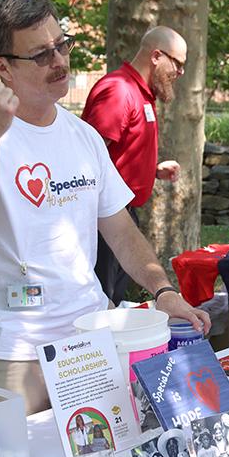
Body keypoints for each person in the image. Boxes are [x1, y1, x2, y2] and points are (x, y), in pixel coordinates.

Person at [0, 0, 209, 415]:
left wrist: (162, 290)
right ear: (2, 67)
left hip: (92, 338)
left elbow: (121, 230)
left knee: (108, 450)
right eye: (41, 55)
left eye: (62, 45)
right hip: (15, 349)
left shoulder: (82, 136)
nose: (60, 62)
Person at [82, 26, 188, 304]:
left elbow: (117, 154)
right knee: (101, 301)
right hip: (104, 220)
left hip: (123, 214)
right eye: (177, 64)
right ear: (156, 56)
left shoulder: (140, 92)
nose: (180, 73)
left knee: (114, 298)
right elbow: (86, 157)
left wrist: (151, 170)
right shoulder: (120, 90)